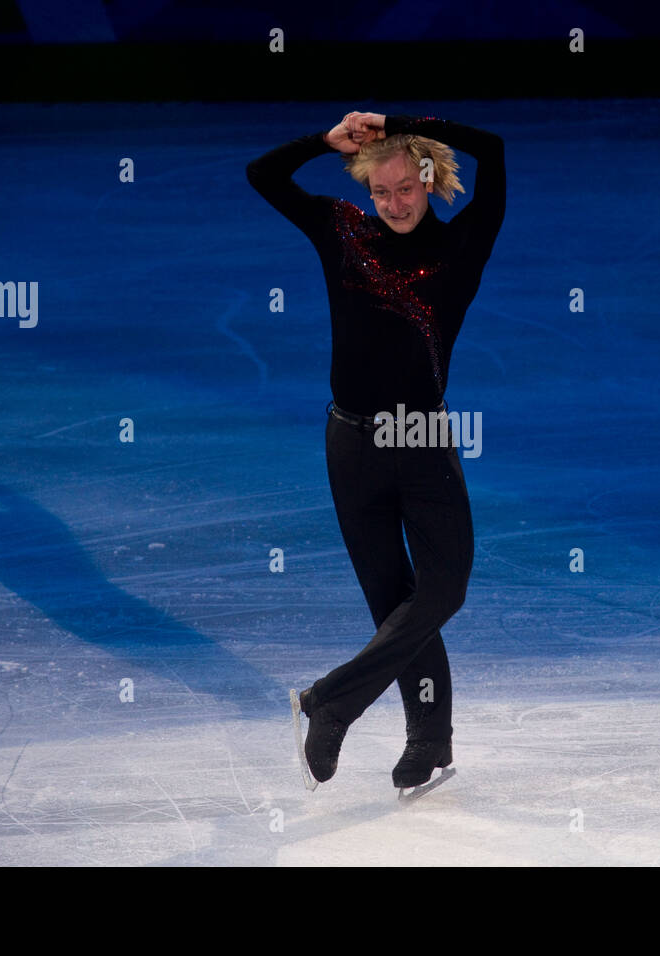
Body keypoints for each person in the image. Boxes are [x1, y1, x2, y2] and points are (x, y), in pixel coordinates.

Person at [246, 109, 505, 788]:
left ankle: (331, 703)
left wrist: (398, 121)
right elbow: (262, 175)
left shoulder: (463, 246)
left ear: (427, 180)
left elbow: (494, 147)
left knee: (443, 589)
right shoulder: (342, 230)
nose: (392, 204)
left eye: (405, 189)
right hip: (351, 442)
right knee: (394, 605)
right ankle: (430, 740)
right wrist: (324, 141)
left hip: (420, 437)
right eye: (380, 192)